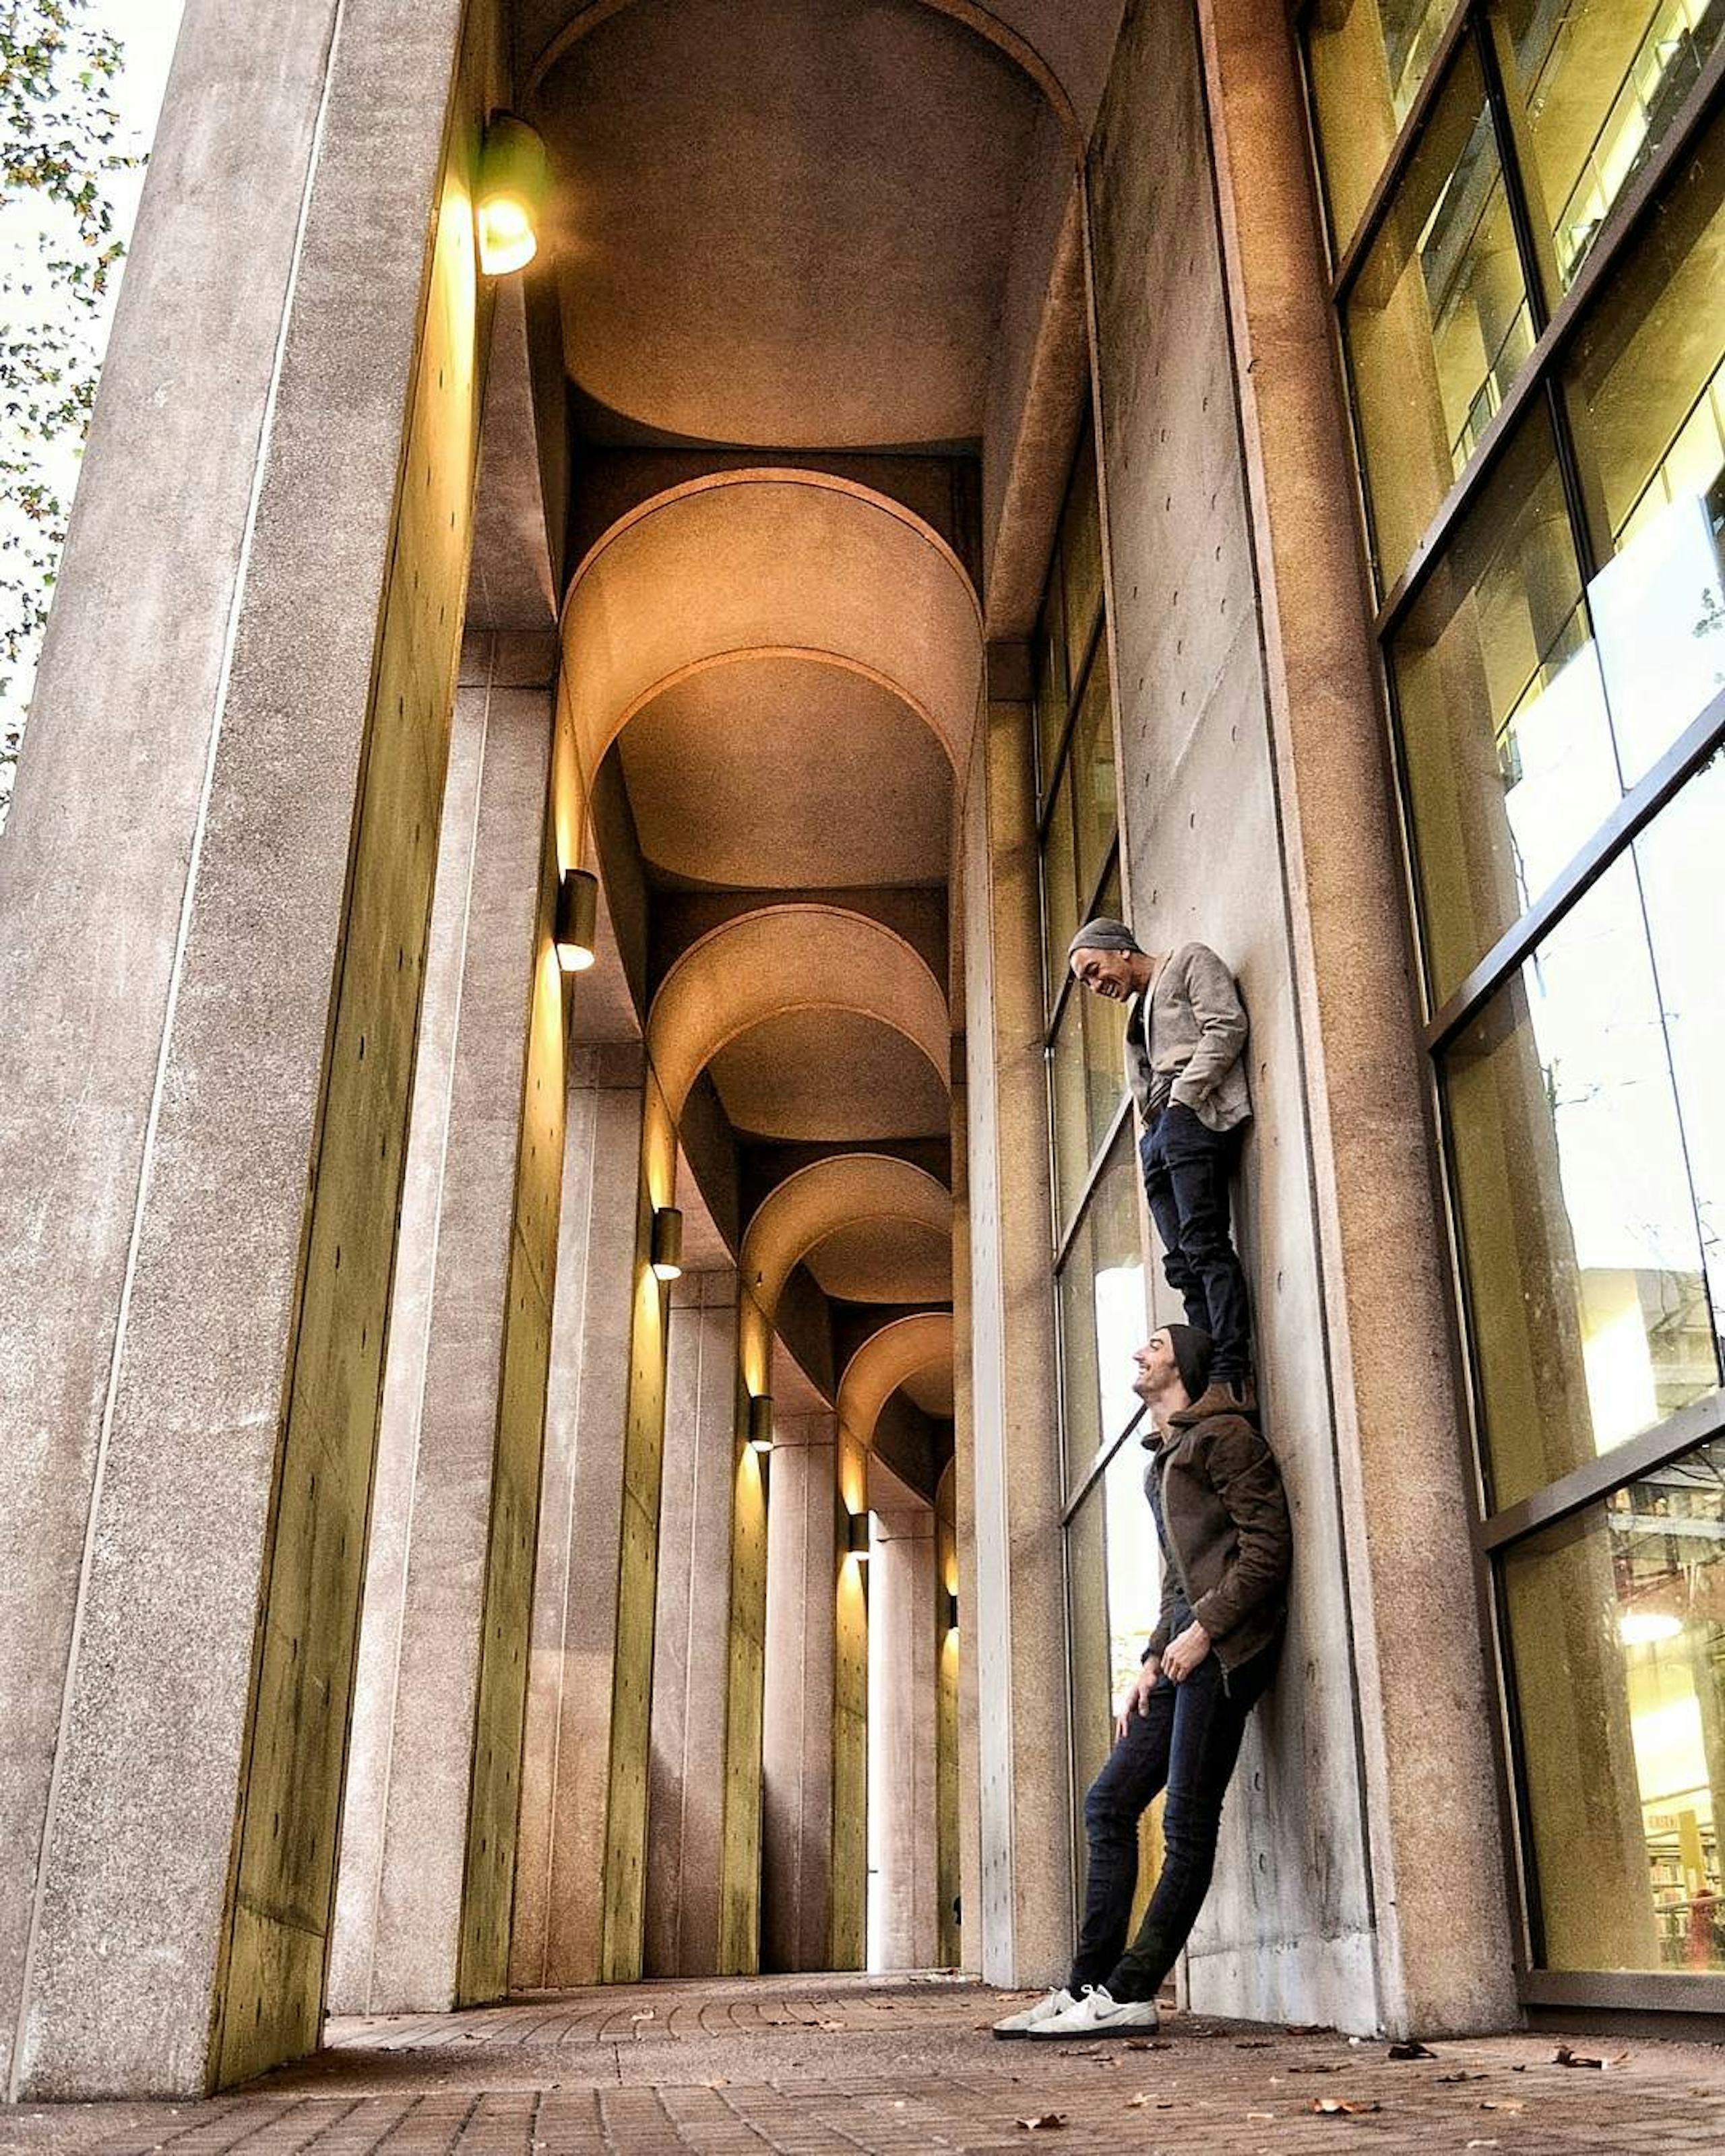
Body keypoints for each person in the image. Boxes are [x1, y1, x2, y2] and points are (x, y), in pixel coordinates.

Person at [993, 1323, 1290, 2039]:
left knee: (1186, 1825)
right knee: (1108, 1802)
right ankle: (1085, 1986)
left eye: (1154, 1345)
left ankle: (1131, 1990)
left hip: (1227, 1649)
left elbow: (1268, 1546)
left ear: (1183, 1363)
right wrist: (1153, 1656)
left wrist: (1204, 1630)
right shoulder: (1161, 1464)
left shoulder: (1227, 1438)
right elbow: (1177, 1576)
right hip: (1185, 1648)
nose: (1139, 1353)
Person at [1067, 918, 1254, 1418]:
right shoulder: (1136, 1014)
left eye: (1094, 970)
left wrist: (1184, 1101)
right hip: (1160, 1135)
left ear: (1121, 950)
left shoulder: (1189, 960)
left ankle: (1232, 1376)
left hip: (1191, 1116)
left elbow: (1226, 1025)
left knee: (1204, 1245)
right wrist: (1155, 1130)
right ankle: (1204, 1385)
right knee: (1182, 1266)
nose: (1095, 985)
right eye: (1085, 981)